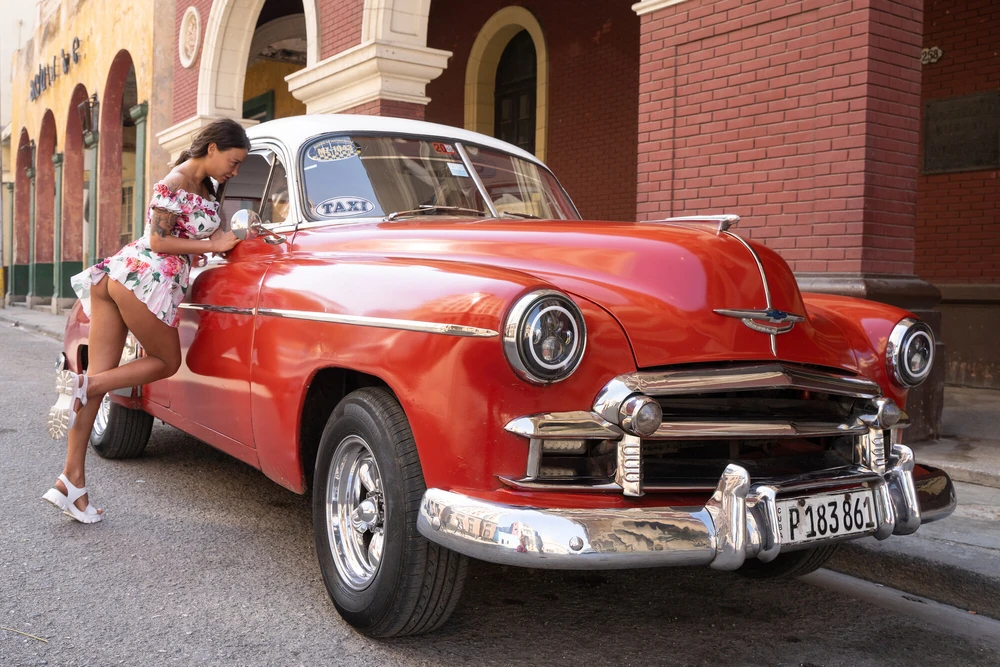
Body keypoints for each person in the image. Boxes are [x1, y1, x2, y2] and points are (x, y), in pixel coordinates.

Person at [43, 117, 251, 524]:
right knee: (166, 361)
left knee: (97, 389)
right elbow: (158, 240)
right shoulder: (174, 180)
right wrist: (213, 243)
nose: (235, 169)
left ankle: (71, 484)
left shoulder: (206, 185)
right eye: (234, 160)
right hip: (144, 277)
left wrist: (217, 243)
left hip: (121, 276)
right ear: (212, 149)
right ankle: (86, 384)